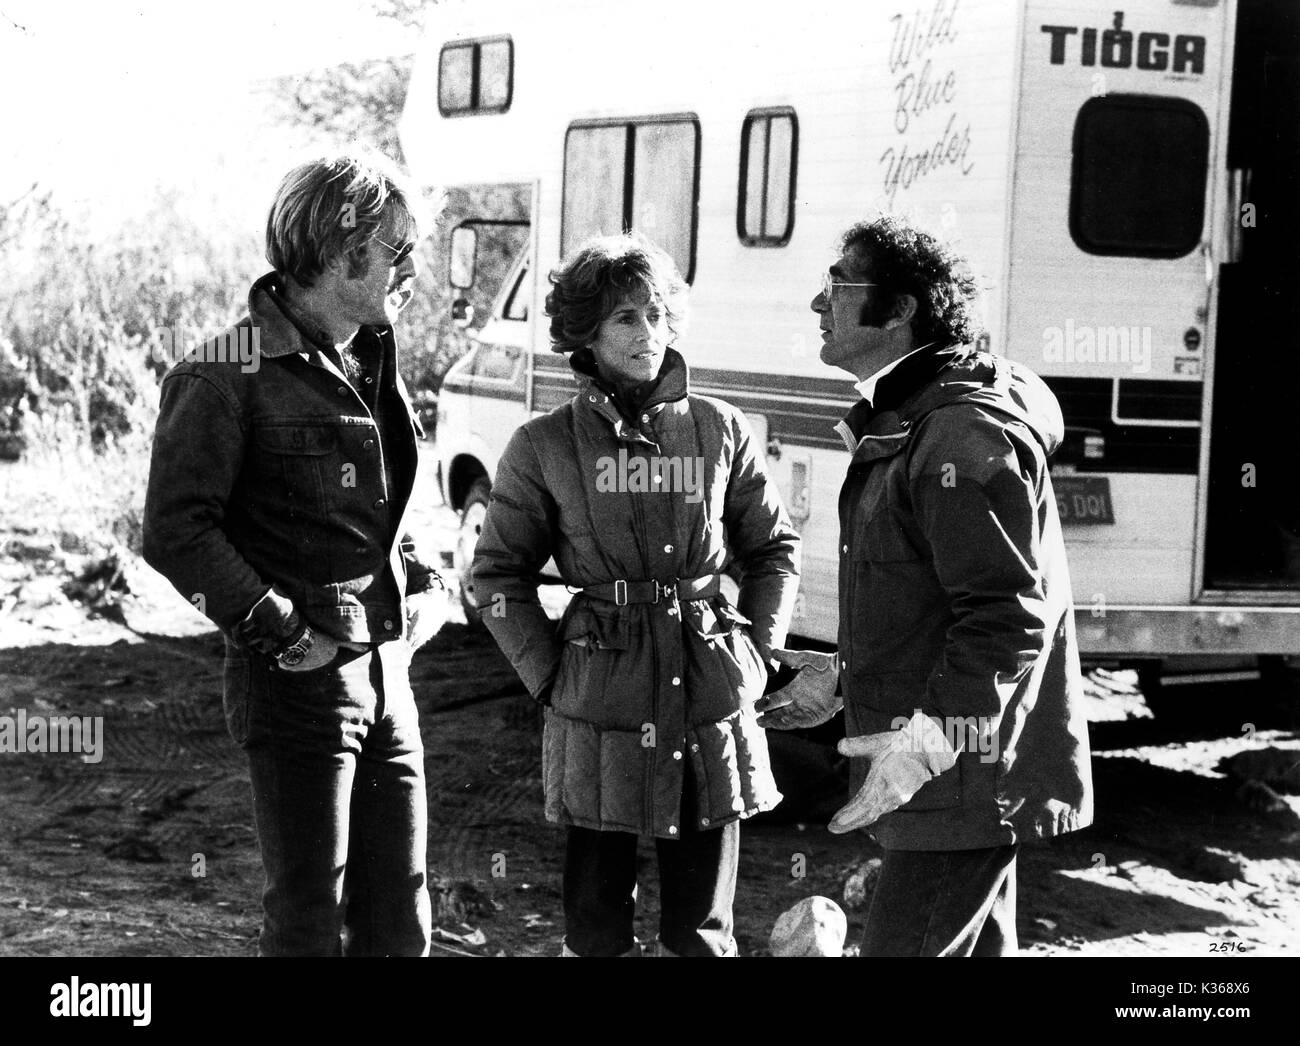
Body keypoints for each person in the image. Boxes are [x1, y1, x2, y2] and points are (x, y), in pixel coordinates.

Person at [756, 216, 1093, 957]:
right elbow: (933, 600)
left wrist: (922, 748)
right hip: (957, 776)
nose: (820, 304)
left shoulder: (955, 433)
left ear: (903, 308)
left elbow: (1005, 619)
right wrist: (846, 676)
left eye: (838, 286)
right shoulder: (916, 417)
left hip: (963, 782)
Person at [142, 153, 445, 956]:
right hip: (298, 682)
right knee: (310, 920)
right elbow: (176, 531)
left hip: (386, 674)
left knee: (401, 921)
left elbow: (372, 510)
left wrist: (418, 576)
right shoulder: (220, 374)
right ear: (342, 254)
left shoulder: (370, 356)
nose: (413, 268)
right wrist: (281, 631)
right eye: (399, 249)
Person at [471, 233, 800, 957]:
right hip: (598, 700)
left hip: (711, 691)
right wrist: (550, 676)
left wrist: (759, 652)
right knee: (595, 928)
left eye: (657, 313)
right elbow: (496, 577)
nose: (648, 333)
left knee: (703, 931)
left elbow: (773, 550)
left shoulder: (719, 427)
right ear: (585, 331)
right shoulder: (543, 445)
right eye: (625, 317)